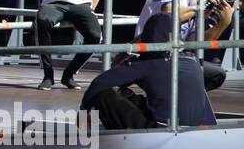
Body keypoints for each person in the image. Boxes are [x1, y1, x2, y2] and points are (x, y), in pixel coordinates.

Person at [80, 13, 216, 129]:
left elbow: (100, 82)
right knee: (131, 96)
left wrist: (84, 111)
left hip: (160, 129)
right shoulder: (193, 60)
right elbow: (219, 74)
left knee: (104, 94)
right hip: (194, 127)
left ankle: (120, 143)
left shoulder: (149, 63)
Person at [136, 0, 233, 90]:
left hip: (173, 59)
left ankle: (179, 100)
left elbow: (196, 44)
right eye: (215, 1)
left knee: (217, 75)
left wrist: (224, 23)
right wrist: (199, 7)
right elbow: (168, 15)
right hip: (147, 55)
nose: (213, 8)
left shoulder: (198, 16)